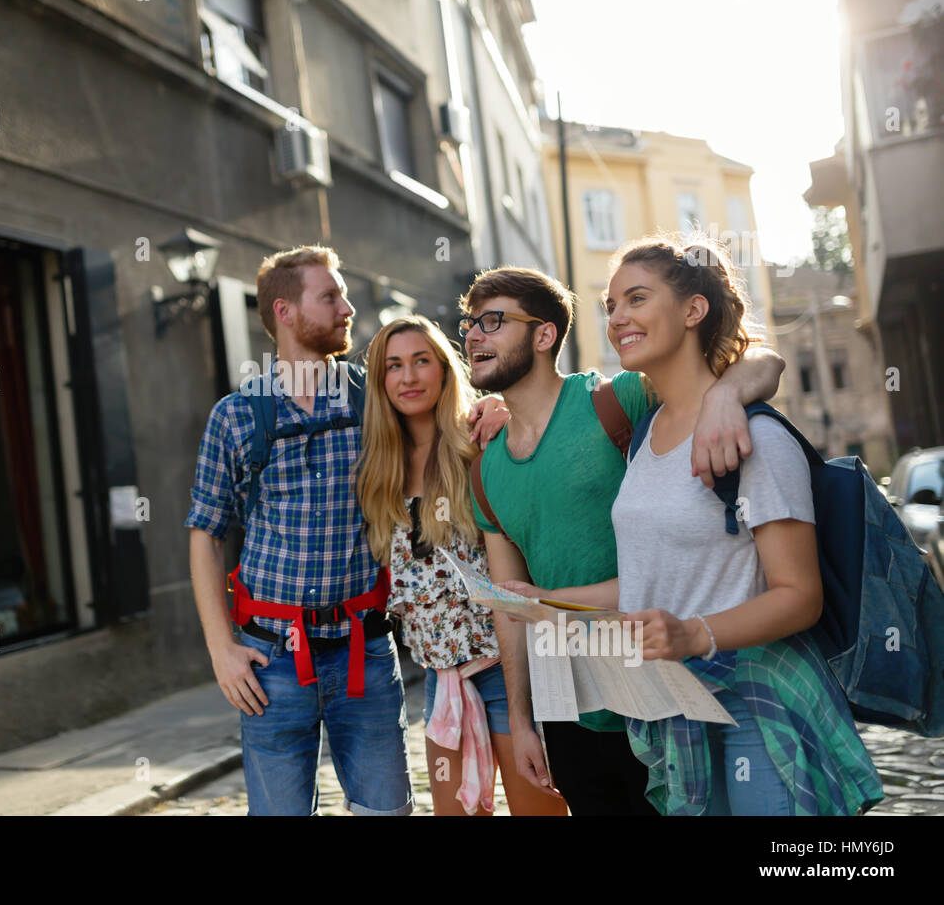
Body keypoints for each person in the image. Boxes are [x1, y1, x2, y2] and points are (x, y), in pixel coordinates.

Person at [184, 245, 506, 816]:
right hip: (270, 659)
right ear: (285, 312)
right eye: (330, 296)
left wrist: (495, 410)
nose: (348, 306)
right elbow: (205, 533)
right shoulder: (236, 416)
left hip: (365, 650)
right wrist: (221, 650)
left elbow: (445, 416)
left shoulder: (375, 398)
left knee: (388, 811)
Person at [460, 265, 786, 815]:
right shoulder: (484, 470)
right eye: (470, 322)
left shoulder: (615, 401)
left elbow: (764, 360)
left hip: (671, 697)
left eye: (494, 321)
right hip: (574, 711)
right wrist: (523, 721)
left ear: (544, 335)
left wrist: (727, 397)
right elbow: (511, 606)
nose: (473, 334)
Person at [597, 236, 881, 815]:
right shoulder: (644, 433)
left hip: (758, 704)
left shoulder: (756, 437)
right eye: (610, 306)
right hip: (680, 707)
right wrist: (537, 599)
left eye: (636, 298)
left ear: (693, 311)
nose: (618, 317)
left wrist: (694, 635)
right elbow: (655, 580)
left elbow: (799, 597)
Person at [356, 315, 568, 816]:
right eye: (393, 366)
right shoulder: (378, 471)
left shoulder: (479, 441)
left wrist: (501, 409)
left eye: (421, 361)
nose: (408, 377)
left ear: (444, 371)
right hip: (443, 680)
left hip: (509, 668)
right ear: (380, 381)